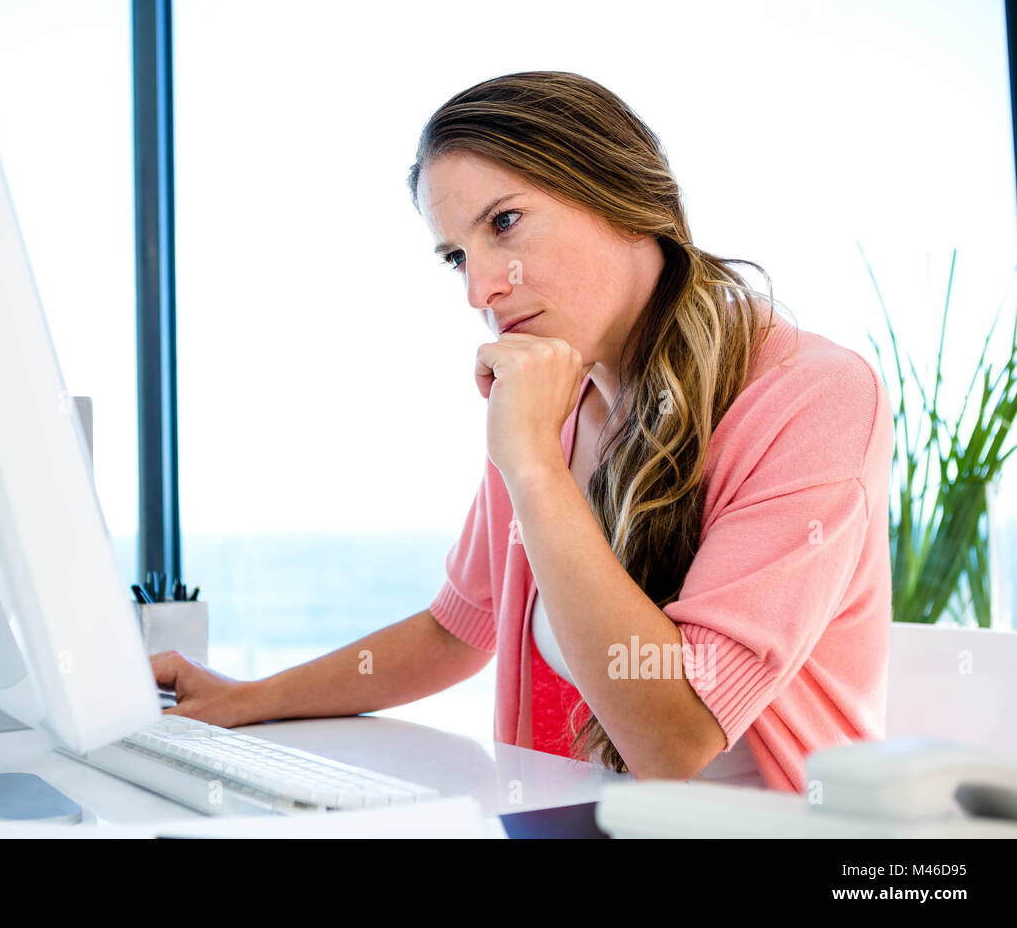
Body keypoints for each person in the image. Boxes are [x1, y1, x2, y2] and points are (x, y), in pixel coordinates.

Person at [150, 71, 894, 793]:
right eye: (456, 258)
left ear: (627, 200)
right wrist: (247, 699)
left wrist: (533, 466)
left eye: (504, 222)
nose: (480, 291)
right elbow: (456, 630)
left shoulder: (812, 396)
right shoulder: (553, 401)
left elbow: (676, 737)